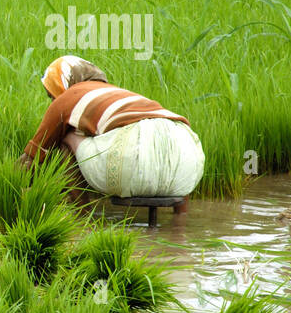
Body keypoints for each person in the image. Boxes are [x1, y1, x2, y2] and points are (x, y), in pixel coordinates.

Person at [19, 55, 204, 203]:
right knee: (171, 144)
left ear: (64, 85)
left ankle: (82, 217)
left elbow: (33, 156)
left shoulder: (68, 98)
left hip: (132, 163)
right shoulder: (118, 94)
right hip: (188, 160)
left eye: (52, 96)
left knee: (67, 139)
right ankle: (178, 228)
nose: (53, 101)